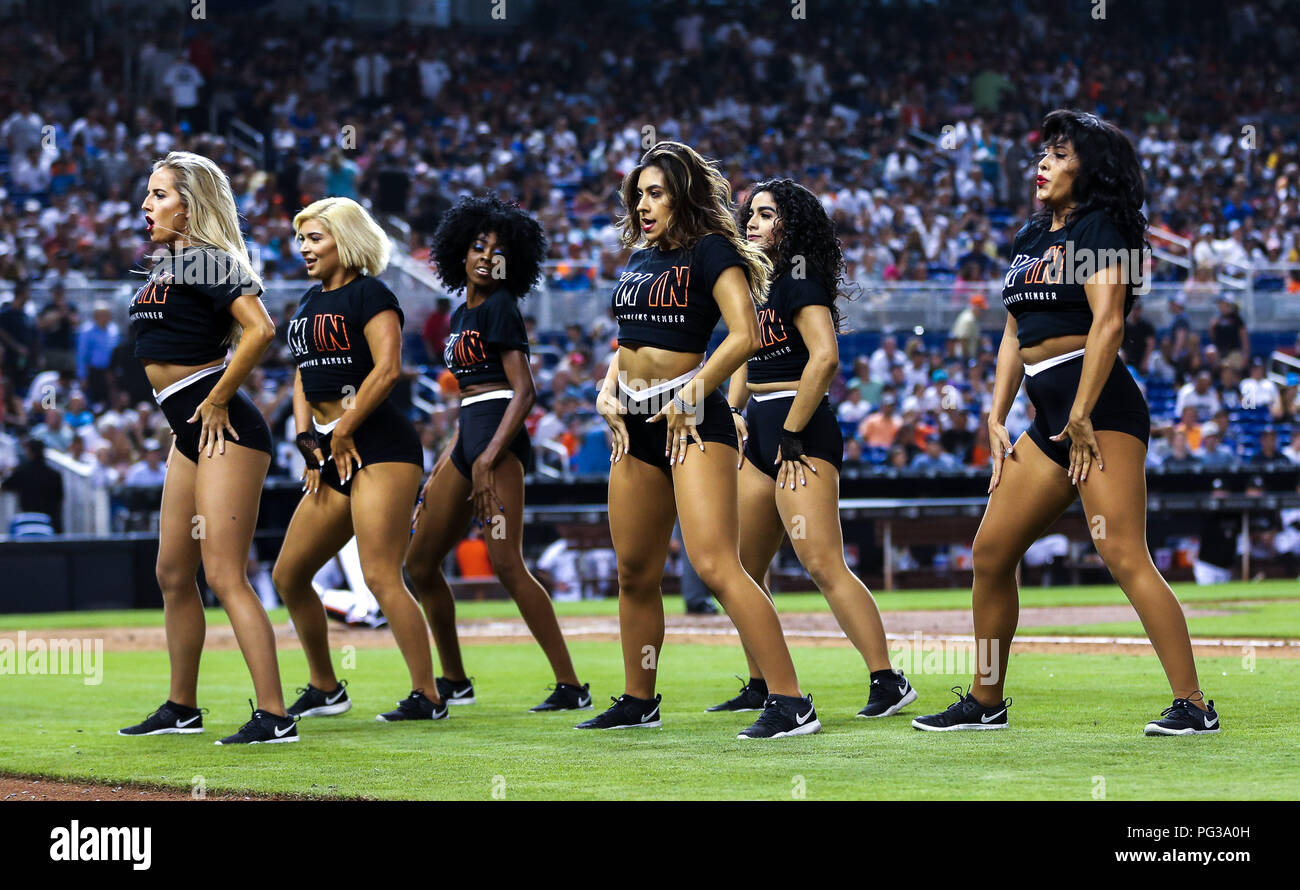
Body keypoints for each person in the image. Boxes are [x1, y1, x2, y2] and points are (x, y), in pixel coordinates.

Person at [914, 111, 1219, 736]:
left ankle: (1193, 704)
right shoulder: (1029, 236)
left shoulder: (1101, 225)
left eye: (1059, 153)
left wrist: (1082, 412)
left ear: (1091, 167)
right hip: (1049, 415)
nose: (1043, 163)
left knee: (1122, 551)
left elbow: (1109, 324)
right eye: (1042, 153)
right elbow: (1012, 332)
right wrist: (994, 415)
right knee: (992, 553)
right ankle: (985, 700)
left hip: (1101, 408)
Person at [581, 142, 817, 739]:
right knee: (634, 572)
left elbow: (742, 335)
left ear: (682, 194)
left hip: (692, 421)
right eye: (637, 194)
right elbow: (625, 342)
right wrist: (607, 392)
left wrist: (693, 391)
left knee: (716, 565)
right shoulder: (640, 258)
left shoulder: (714, 251)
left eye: (655, 192)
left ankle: (791, 701)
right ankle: (639, 699)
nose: (642, 204)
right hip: (633, 423)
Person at [711, 178, 917, 719]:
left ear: (791, 224)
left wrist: (792, 432)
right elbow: (745, 356)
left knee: (823, 562)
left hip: (797, 431)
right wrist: (734, 411)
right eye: (749, 213)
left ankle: (887, 680)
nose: (752, 222)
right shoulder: (757, 281)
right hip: (761, 424)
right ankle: (761, 683)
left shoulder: (800, 275)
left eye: (765, 214)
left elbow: (824, 359)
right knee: (743, 568)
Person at [117, 151, 292, 745]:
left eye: (160, 195)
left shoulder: (206, 260)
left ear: (192, 204)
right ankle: (181, 707)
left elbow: (262, 329)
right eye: (148, 195)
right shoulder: (165, 267)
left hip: (225, 427)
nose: (147, 205)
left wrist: (217, 399)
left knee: (224, 572)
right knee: (172, 571)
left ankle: (275, 715)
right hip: (188, 429)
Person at [405, 194, 590, 712]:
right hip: (468, 441)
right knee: (419, 564)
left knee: (507, 564)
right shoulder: (464, 310)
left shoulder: (503, 305)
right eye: (478, 246)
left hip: (500, 446)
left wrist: (488, 458)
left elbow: (524, 391)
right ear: (459, 253)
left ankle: (571, 687)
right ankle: (454, 682)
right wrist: (445, 464)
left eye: (498, 250)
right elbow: (468, 401)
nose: (487, 256)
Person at [270, 197, 449, 724]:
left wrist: (345, 427)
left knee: (379, 574)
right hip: (329, 447)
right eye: (301, 238)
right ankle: (325, 688)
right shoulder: (305, 302)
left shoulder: (373, 293)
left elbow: (389, 369)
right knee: (289, 574)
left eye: (315, 238)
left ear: (344, 241)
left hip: (380, 446)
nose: (304, 247)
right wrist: (308, 439)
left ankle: (428, 695)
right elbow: (302, 375)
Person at [1, 438, 64, 532]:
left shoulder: (22, 472)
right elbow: (60, 498)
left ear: (30, 452)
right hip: (52, 524)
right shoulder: (55, 475)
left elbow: (4, 487)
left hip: (28, 525)